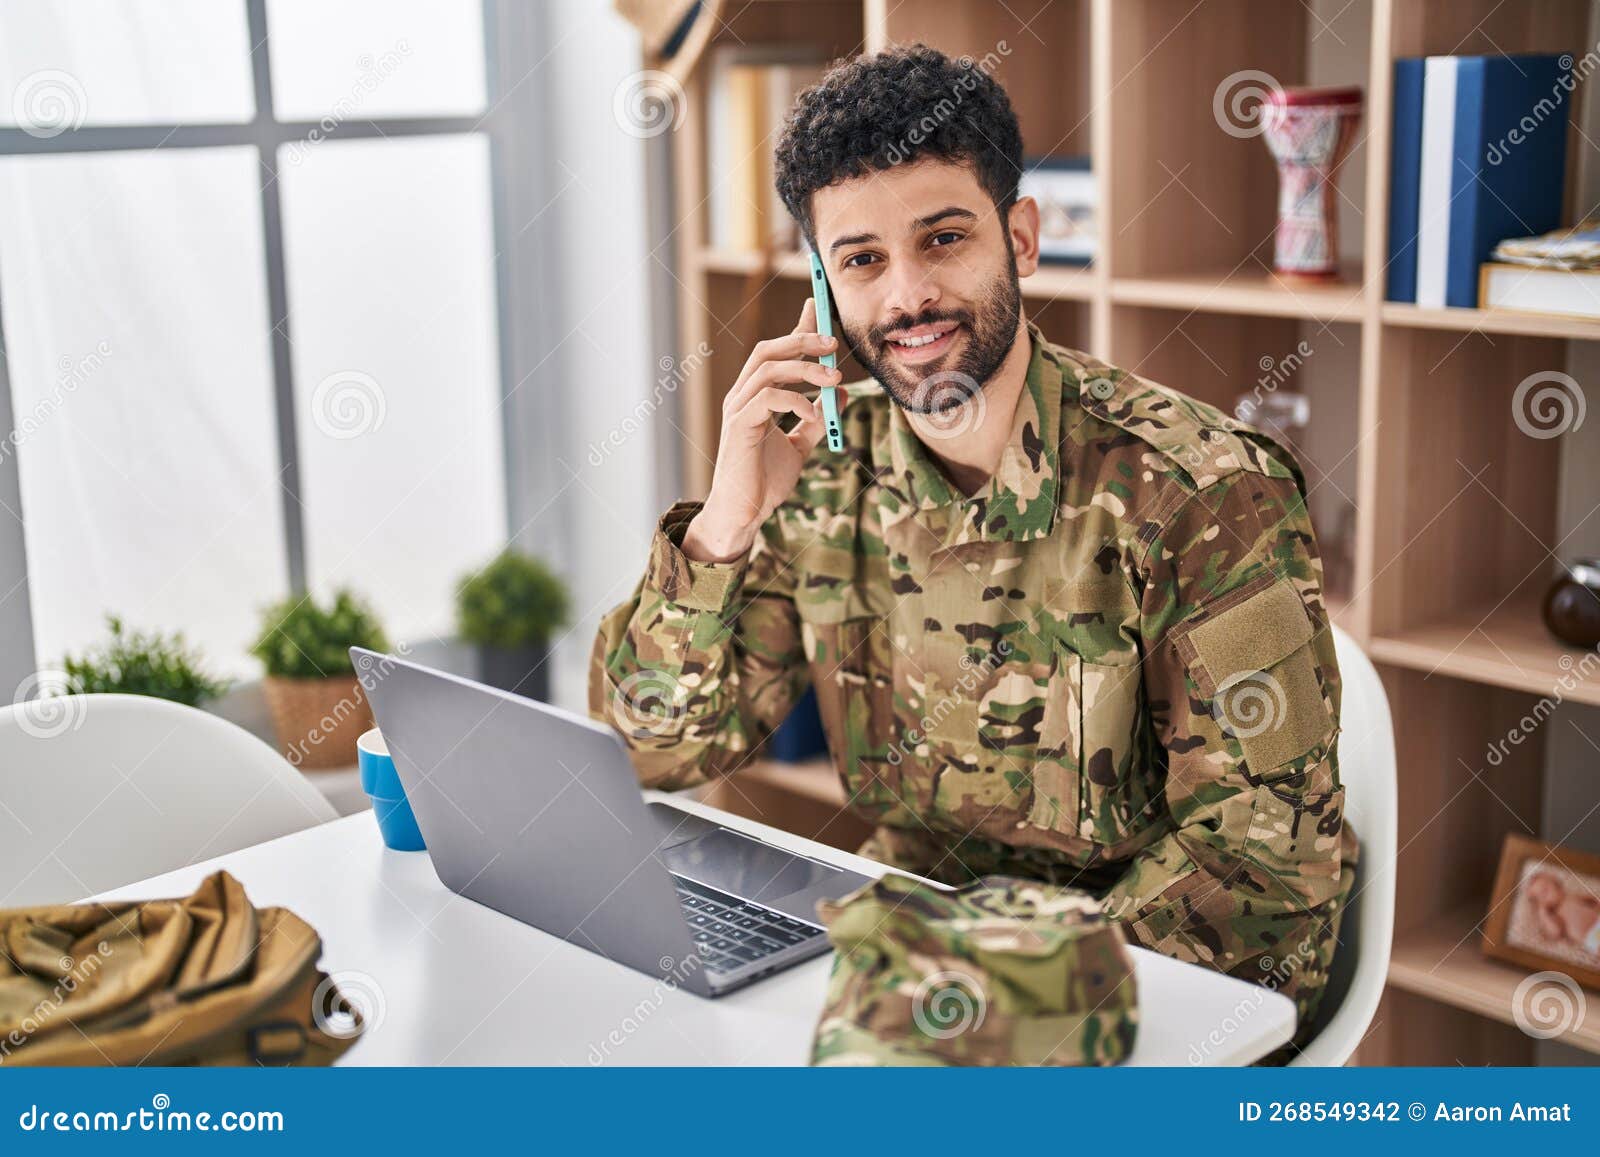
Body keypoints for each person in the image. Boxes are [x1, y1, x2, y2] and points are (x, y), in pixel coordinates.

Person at [589, 43, 1358, 1062]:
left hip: (1142, 994)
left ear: (1020, 237)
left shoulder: (1207, 492)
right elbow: (655, 751)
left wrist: (973, 989)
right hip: (913, 957)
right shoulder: (820, 475)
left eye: (942, 238)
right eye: (861, 259)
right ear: (823, 289)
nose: (907, 295)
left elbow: (1264, 873)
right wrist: (723, 528)